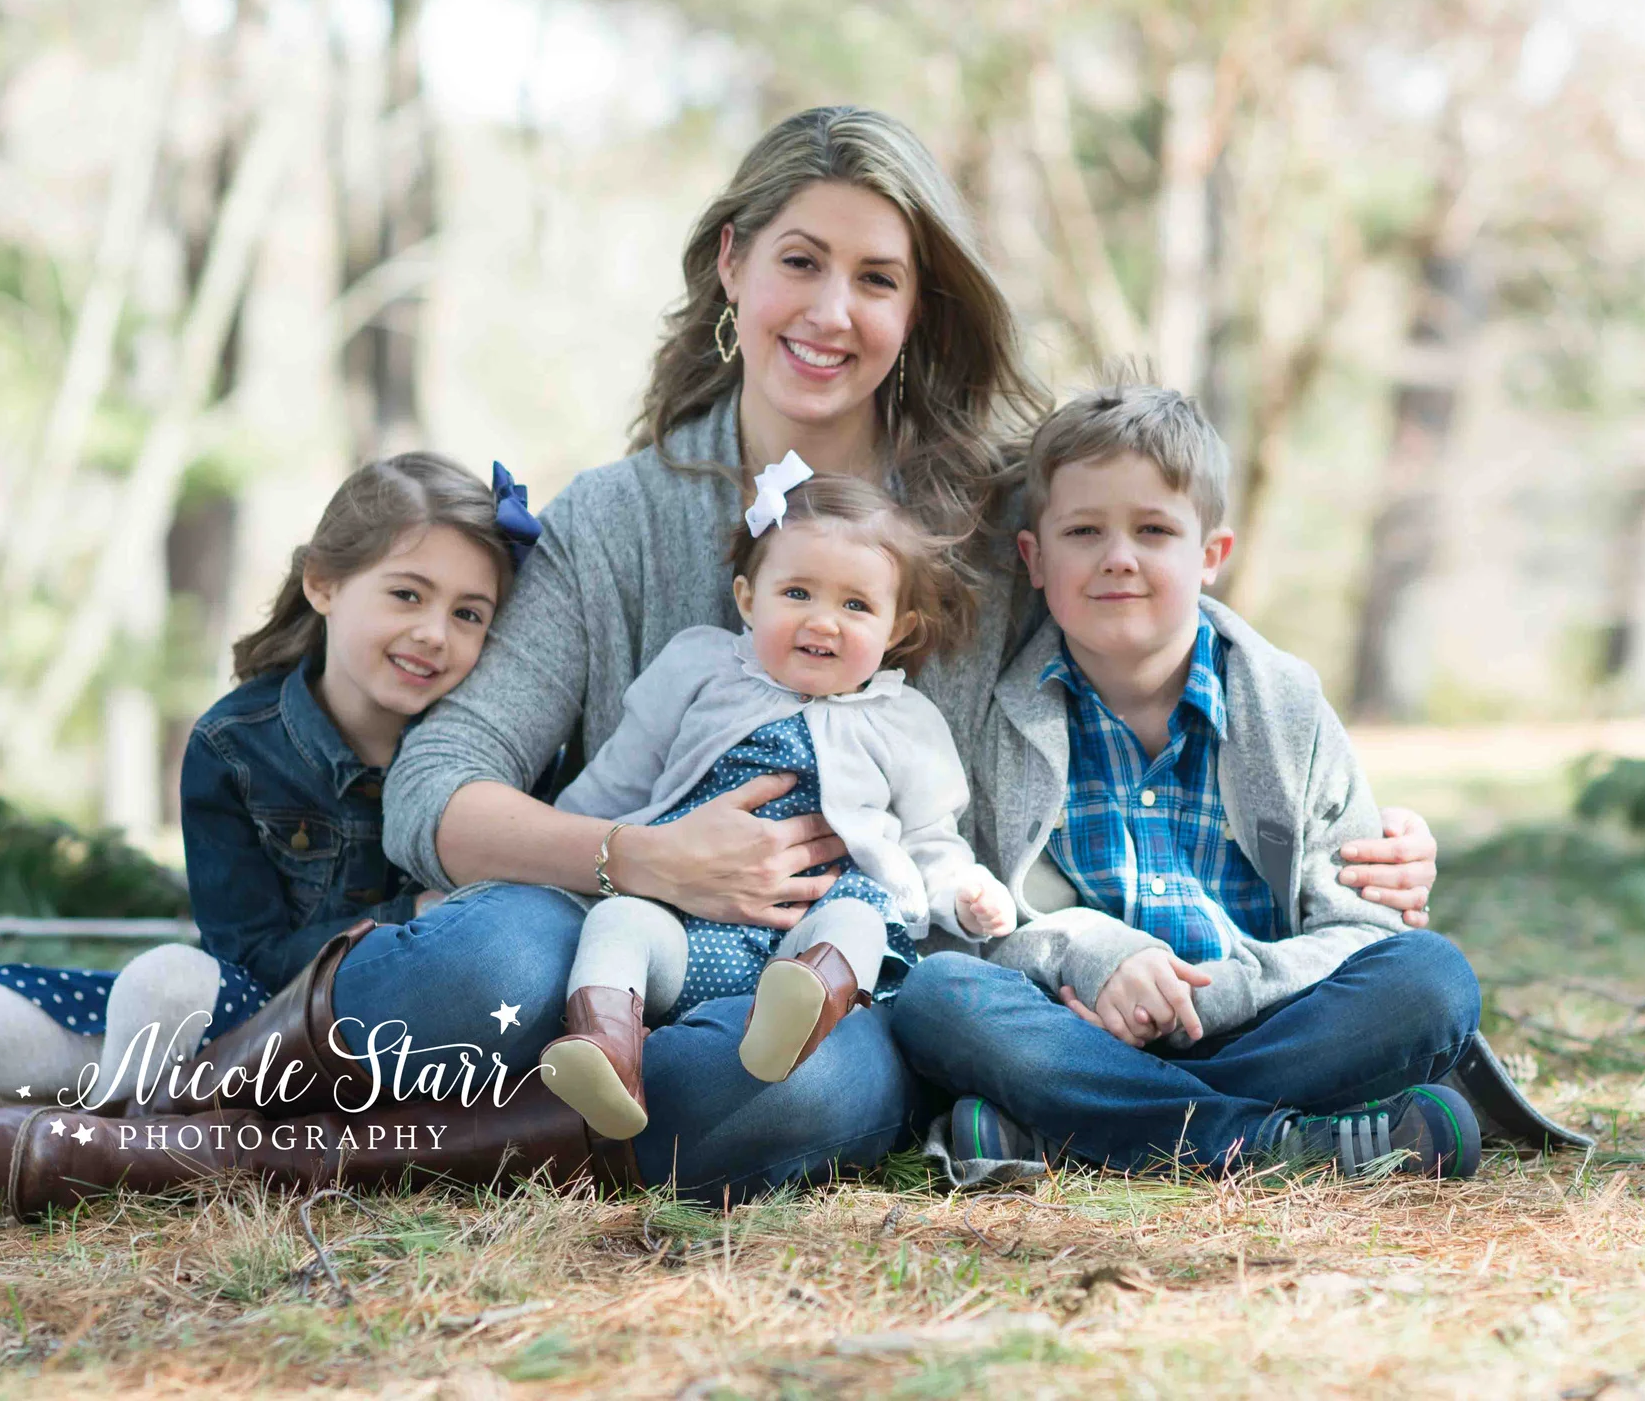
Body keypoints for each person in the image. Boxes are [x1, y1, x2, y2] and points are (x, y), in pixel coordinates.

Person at [313, 105, 1441, 1204]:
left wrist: (1351, 827)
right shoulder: (618, 517)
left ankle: (489, 1125)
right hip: (619, 934)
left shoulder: (990, 518)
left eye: (878, 278)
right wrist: (637, 856)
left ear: (917, 306)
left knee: (767, 1100)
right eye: (800, 262)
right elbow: (434, 785)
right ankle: (288, 1094)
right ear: (731, 265)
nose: (831, 311)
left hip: (864, 972)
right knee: (487, 969)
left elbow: (1158, 614)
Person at [890, 385, 1487, 1180]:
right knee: (938, 995)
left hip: (1273, 1023)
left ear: (1211, 554)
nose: (1118, 557)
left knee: (1431, 977)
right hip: (1081, 1031)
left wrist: (1216, 999)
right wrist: (1095, 958)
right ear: (1034, 558)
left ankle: (1072, 1132)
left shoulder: (1286, 707)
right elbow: (980, 918)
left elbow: (1361, 925)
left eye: (1153, 530)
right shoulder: (1002, 722)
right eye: (1083, 531)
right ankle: (1281, 1143)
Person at [0, 453, 533, 1112]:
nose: (434, 633)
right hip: (244, 1007)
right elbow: (249, 954)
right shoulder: (234, 745)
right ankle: (153, 1080)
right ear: (323, 583)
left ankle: (122, 1116)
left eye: (469, 614)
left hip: (394, 1027)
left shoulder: (498, 747)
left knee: (166, 987)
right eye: (407, 594)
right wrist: (407, 917)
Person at [537, 466, 1016, 1141]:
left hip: (809, 923)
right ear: (747, 596)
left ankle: (801, 1007)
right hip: (682, 918)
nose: (823, 620)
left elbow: (931, 840)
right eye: (797, 592)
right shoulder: (700, 671)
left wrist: (965, 891)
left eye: (856, 606)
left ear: (898, 626)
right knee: (618, 920)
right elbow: (616, 786)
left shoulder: (905, 722)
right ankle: (607, 1047)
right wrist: (567, 854)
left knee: (857, 918)